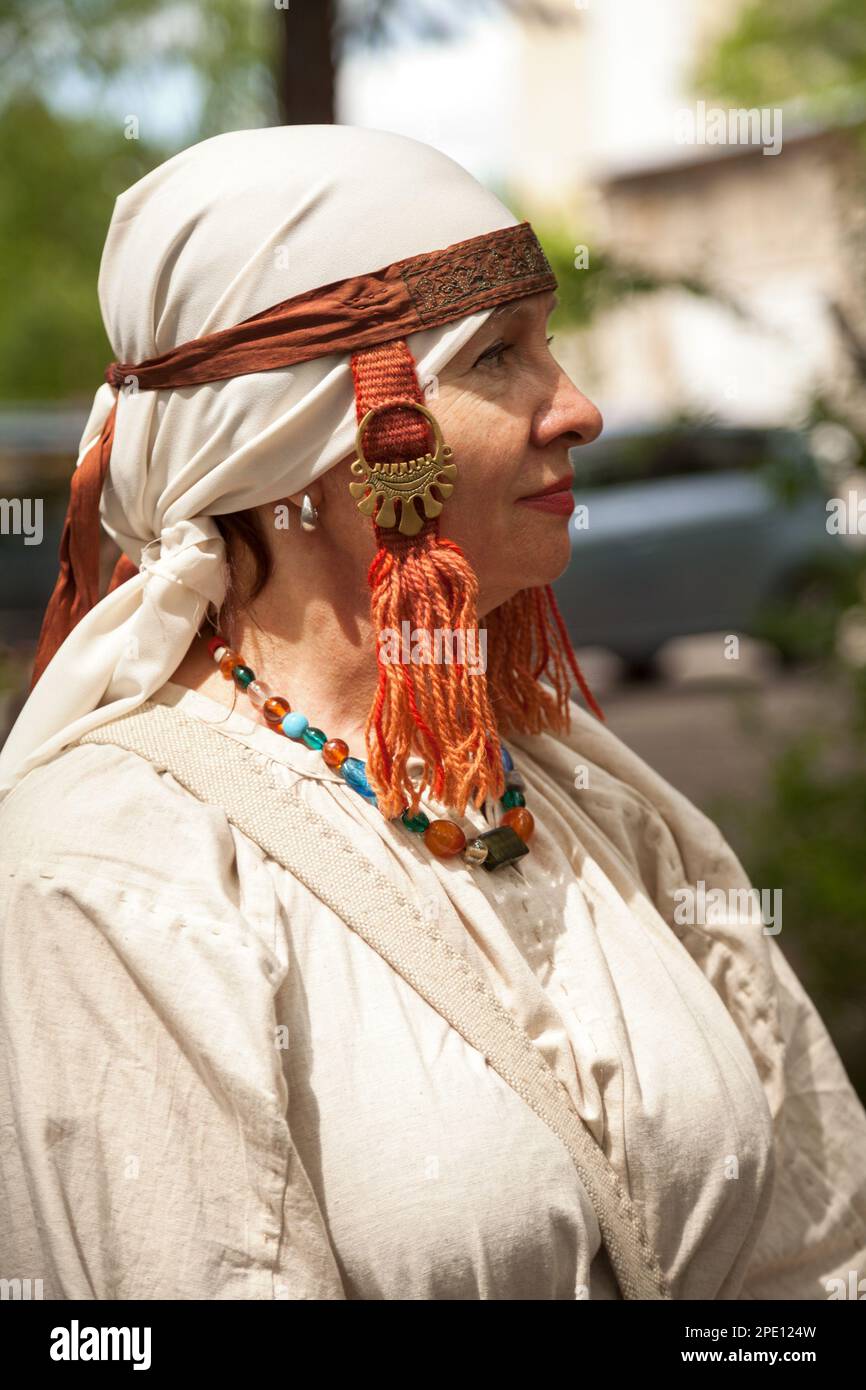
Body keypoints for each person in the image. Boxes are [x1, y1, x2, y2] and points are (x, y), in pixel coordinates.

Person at [0, 125, 864, 1302]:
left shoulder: (591, 806)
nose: (577, 408)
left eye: (544, 344)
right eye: (498, 355)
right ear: (308, 432)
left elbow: (811, 1256)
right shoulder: (110, 871)